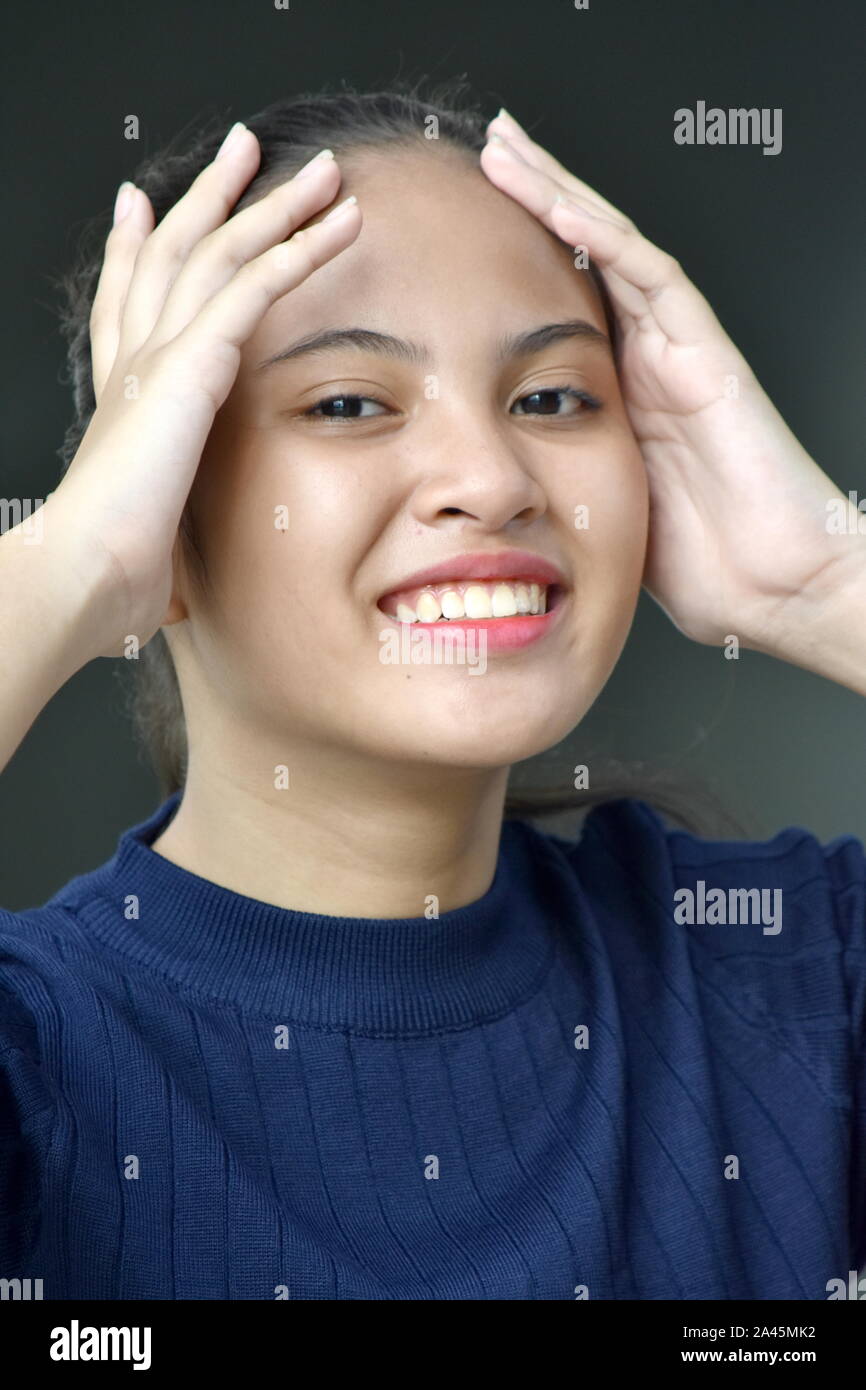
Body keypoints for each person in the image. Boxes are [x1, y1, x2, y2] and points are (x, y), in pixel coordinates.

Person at [0, 79, 863, 1301]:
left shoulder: (794, 975)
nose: (489, 475)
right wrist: (66, 565)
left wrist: (823, 580)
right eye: (349, 402)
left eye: (552, 396)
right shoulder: (37, 1061)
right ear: (157, 504)